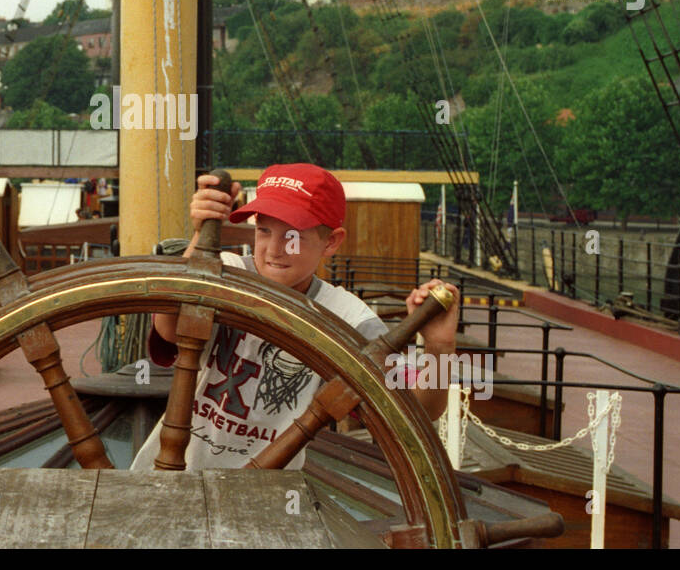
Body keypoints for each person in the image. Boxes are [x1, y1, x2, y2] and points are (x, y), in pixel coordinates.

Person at [130, 164, 460, 471]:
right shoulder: (224, 273)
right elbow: (169, 327)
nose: (274, 249)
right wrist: (201, 237)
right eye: (264, 231)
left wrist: (440, 346)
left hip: (268, 497)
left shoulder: (348, 318)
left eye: (292, 236)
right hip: (171, 473)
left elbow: (421, 412)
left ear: (331, 241)